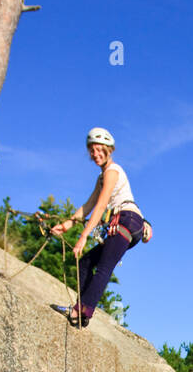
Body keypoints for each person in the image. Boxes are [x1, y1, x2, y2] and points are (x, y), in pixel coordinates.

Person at [50, 127, 150, 328]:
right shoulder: (102, 177)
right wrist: (68, 224)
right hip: (127, 222)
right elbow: (88, 205)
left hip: (126, 220)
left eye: (99, 150)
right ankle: (82, 309)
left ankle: (82, 311)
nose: (95, 154)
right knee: (85, 262)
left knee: (104, 267)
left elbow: (102, 204)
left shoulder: (113, 171)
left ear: (109, 149)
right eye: (92, 151)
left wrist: (84, 236)